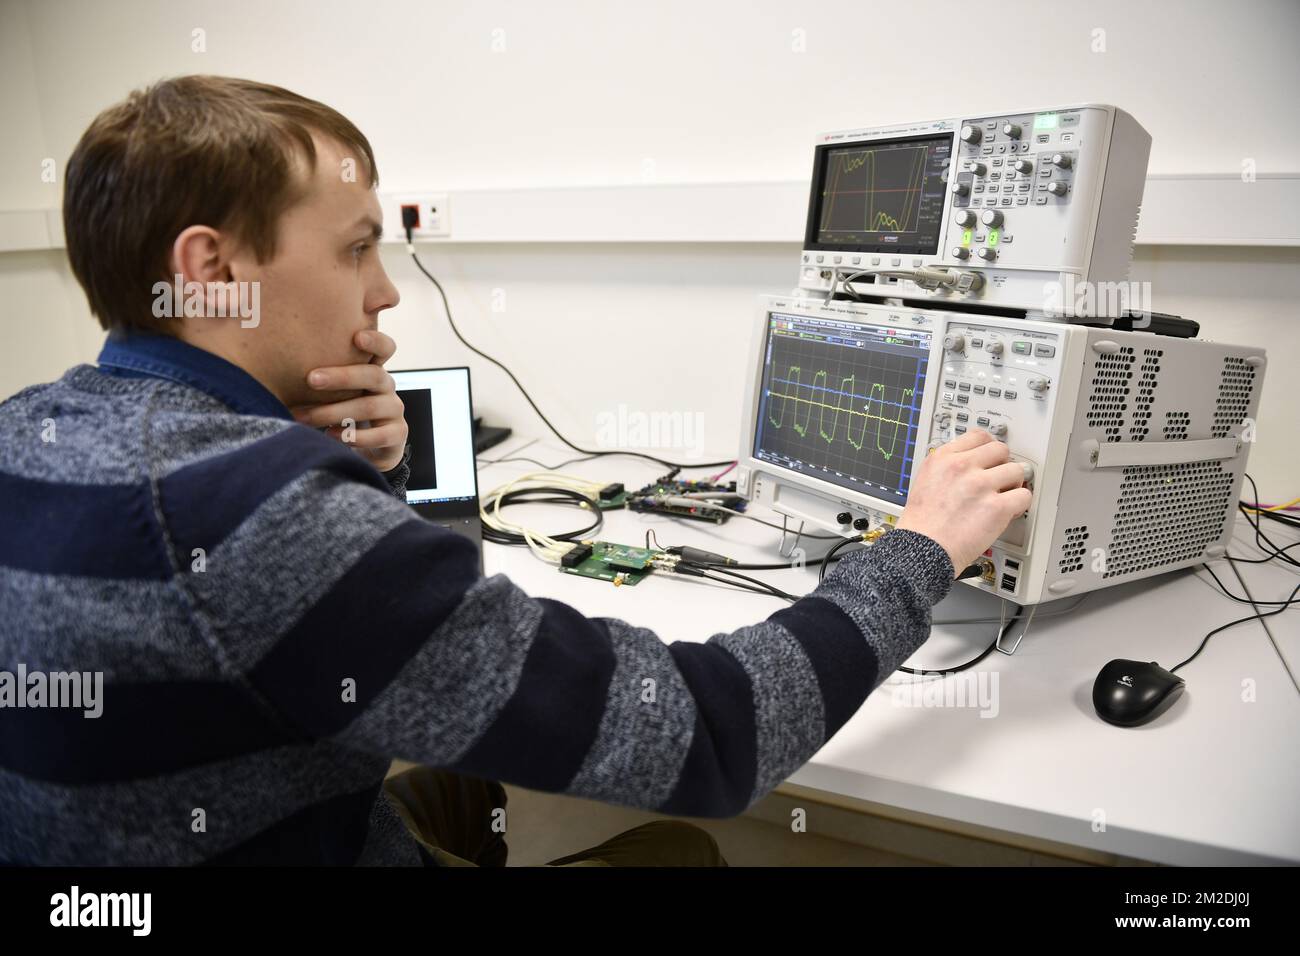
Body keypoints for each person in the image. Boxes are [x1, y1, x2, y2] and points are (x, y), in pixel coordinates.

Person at [0, 76, 1030, 867]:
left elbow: (411, 659)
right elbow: (716, 732)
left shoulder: (28, 434)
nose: (387, 291)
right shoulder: (252, 505)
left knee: (467, 776)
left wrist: (376, 489)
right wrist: (919, 546)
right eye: (357, 248)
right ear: (211, 270)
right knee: (677, 849)